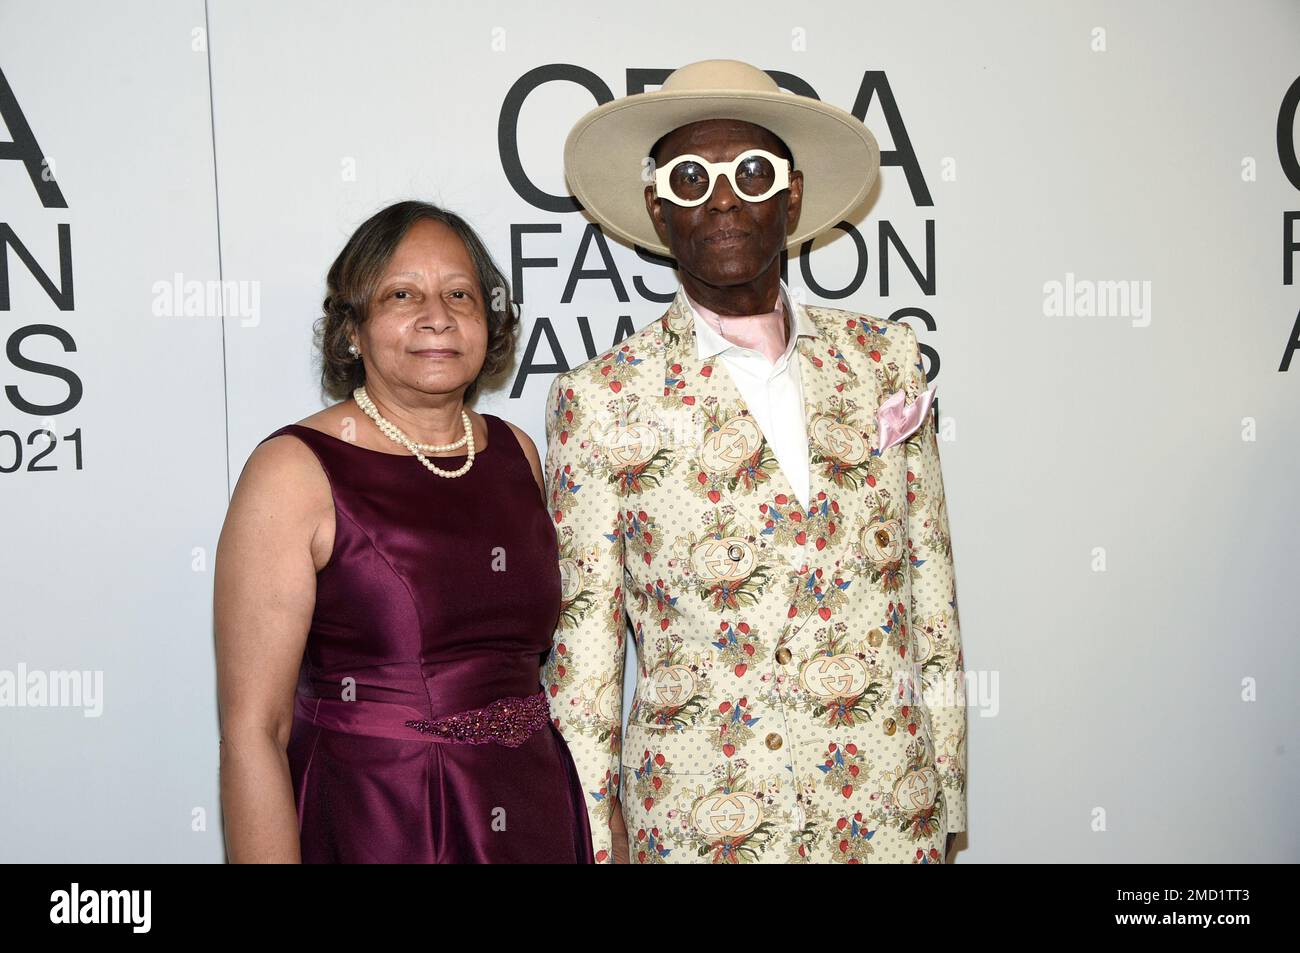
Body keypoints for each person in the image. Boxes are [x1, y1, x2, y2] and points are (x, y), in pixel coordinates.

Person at [543, 59, 966, 864]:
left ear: (793, 197)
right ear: (659, 210)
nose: (725, 198)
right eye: (693, 178)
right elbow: (585, 661)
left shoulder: (885, 360)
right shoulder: (598, 401)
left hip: (887, 808)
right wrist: (596, 838)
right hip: (706, 823)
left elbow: (932, 592)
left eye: (751, 173)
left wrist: (941, 795)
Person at [215, 200, 594, 863]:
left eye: (460, 293)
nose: (437, 314)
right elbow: (255, 731)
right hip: (383, 820)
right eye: (401, 294)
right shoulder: (294, 471)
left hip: (534, 809)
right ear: (353, 330)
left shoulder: (517, 452)